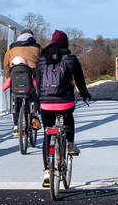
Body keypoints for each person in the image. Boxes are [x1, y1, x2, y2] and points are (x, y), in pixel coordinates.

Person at [36, 29, 91, 187]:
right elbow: (80, 80)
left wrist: (39, 101)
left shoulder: (41, 60)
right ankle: (71, 144)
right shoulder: (71, 59)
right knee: (68, 118)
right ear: (66, 43)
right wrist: (85, 93)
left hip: (45, 104)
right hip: (65, 102)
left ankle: (47, 171)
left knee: (47, 134)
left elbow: (37, 82)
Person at [0, 30, 40, 135]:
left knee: (15, 99)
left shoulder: (11, 48)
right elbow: (43, 63)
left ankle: (16, 125)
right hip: (32, 79)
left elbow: (6, 65)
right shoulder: (37, 47)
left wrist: (9, 77)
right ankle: (34, 116)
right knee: (34, 96)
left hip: (16, 79)